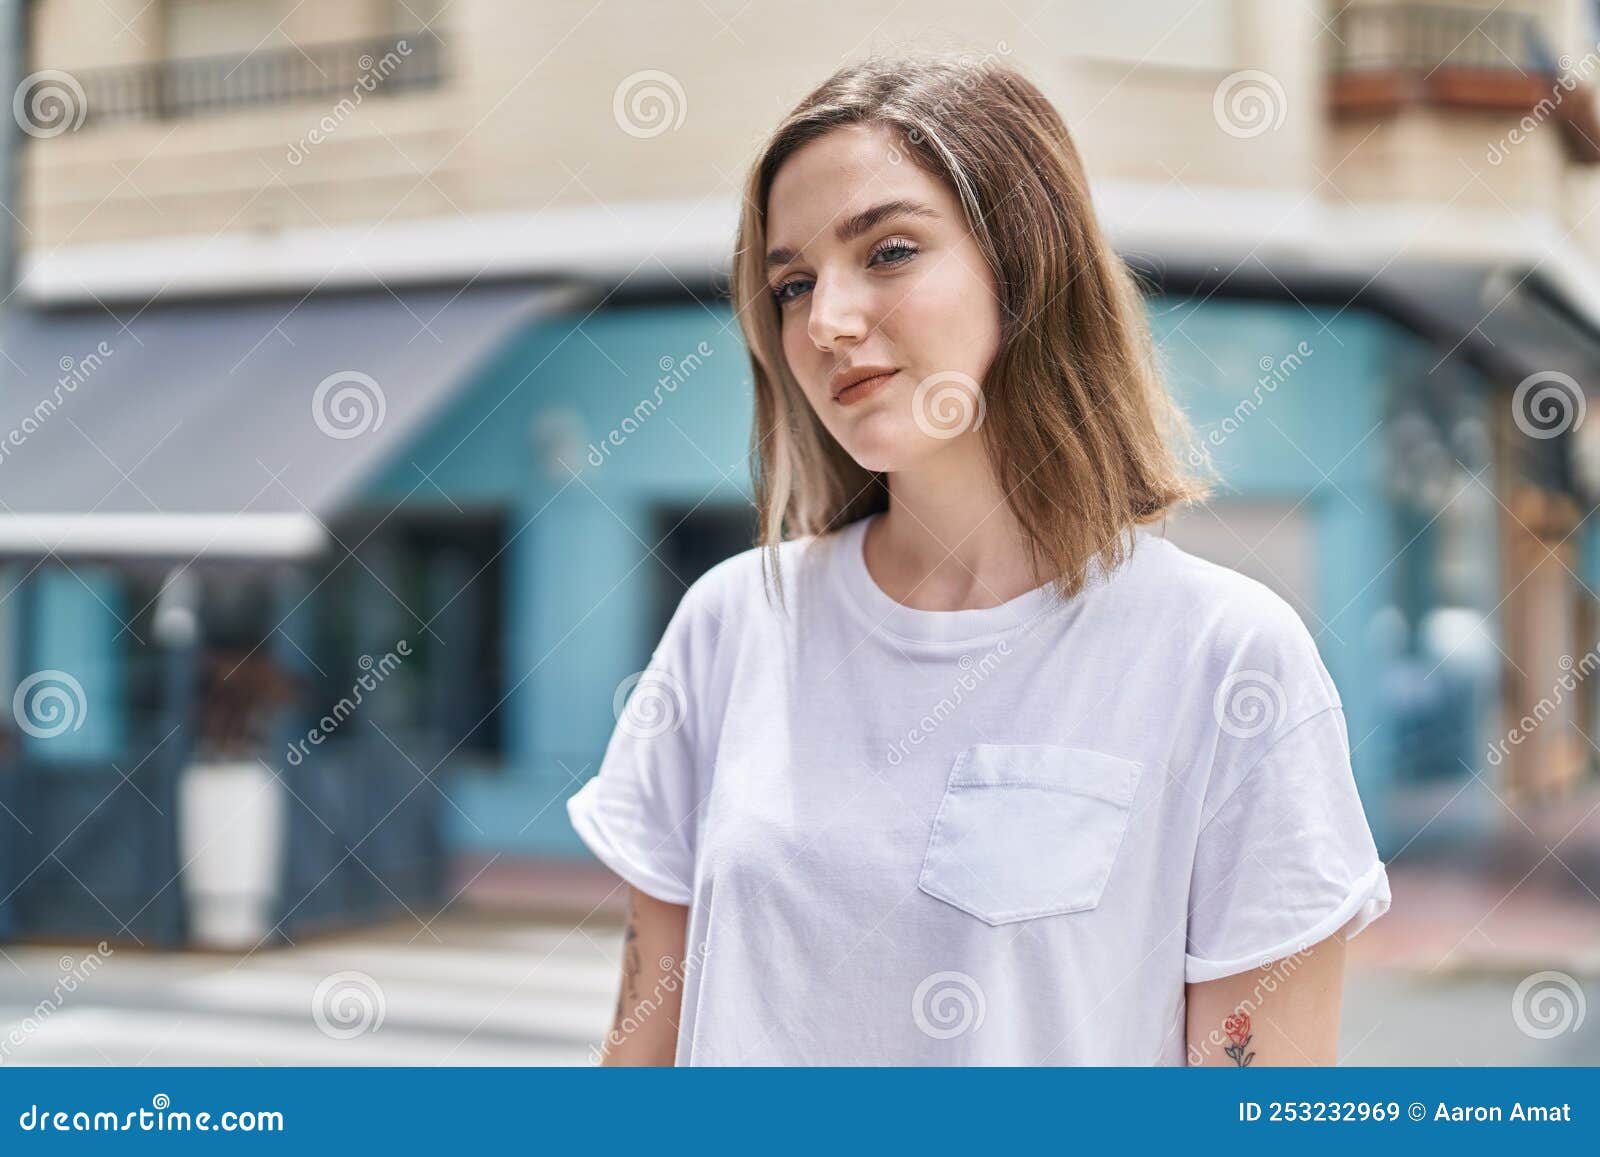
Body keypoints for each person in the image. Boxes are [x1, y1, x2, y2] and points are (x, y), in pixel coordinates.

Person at [567, 51, 1391, 1066]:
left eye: (890, 250)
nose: (826, 320)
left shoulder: (1225, 658)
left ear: (1026, 263)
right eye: (791, 283)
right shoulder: (729, 623)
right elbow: (636, 1058)